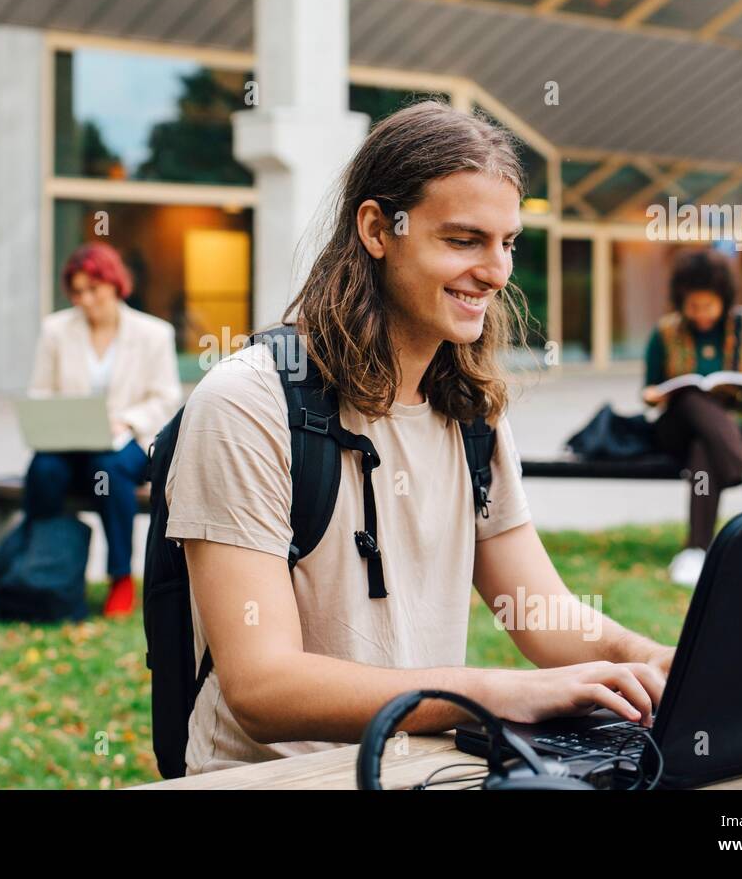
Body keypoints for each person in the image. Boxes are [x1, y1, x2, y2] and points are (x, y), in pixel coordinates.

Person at [164, 101, 676, 776]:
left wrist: (655, 660)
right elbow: (262, 687)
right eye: (464, 241)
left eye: (508, 243)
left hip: (420, 768)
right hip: (275, 775)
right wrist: (492, 693)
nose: (496, 272)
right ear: (378, 229)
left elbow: (541, 610)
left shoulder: (470, 411)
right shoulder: (248, 403)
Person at [24, 242, 182, 617]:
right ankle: (46, 568)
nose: (85, 300)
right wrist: (65, 417)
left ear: (114, 285)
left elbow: (166, 398)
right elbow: (40, 392)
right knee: (43, 469)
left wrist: (125, 421)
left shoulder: (153, 334)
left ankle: (120, 577)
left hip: (128, 442)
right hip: (72, 441)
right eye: (77, 292)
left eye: (93, 289)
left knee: (108, 471)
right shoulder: (56, 330)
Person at [642, 248, 742, 587]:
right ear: (681, 300)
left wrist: (736, 392)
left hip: (733, 431)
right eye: (692, 306)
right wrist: (654, 394)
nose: (700, 314)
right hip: (675, 429)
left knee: (705, 447)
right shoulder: (666, 331)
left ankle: (696, 550)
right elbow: (649, 389)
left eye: (707, 305)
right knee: (693, 396)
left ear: (723, 299)